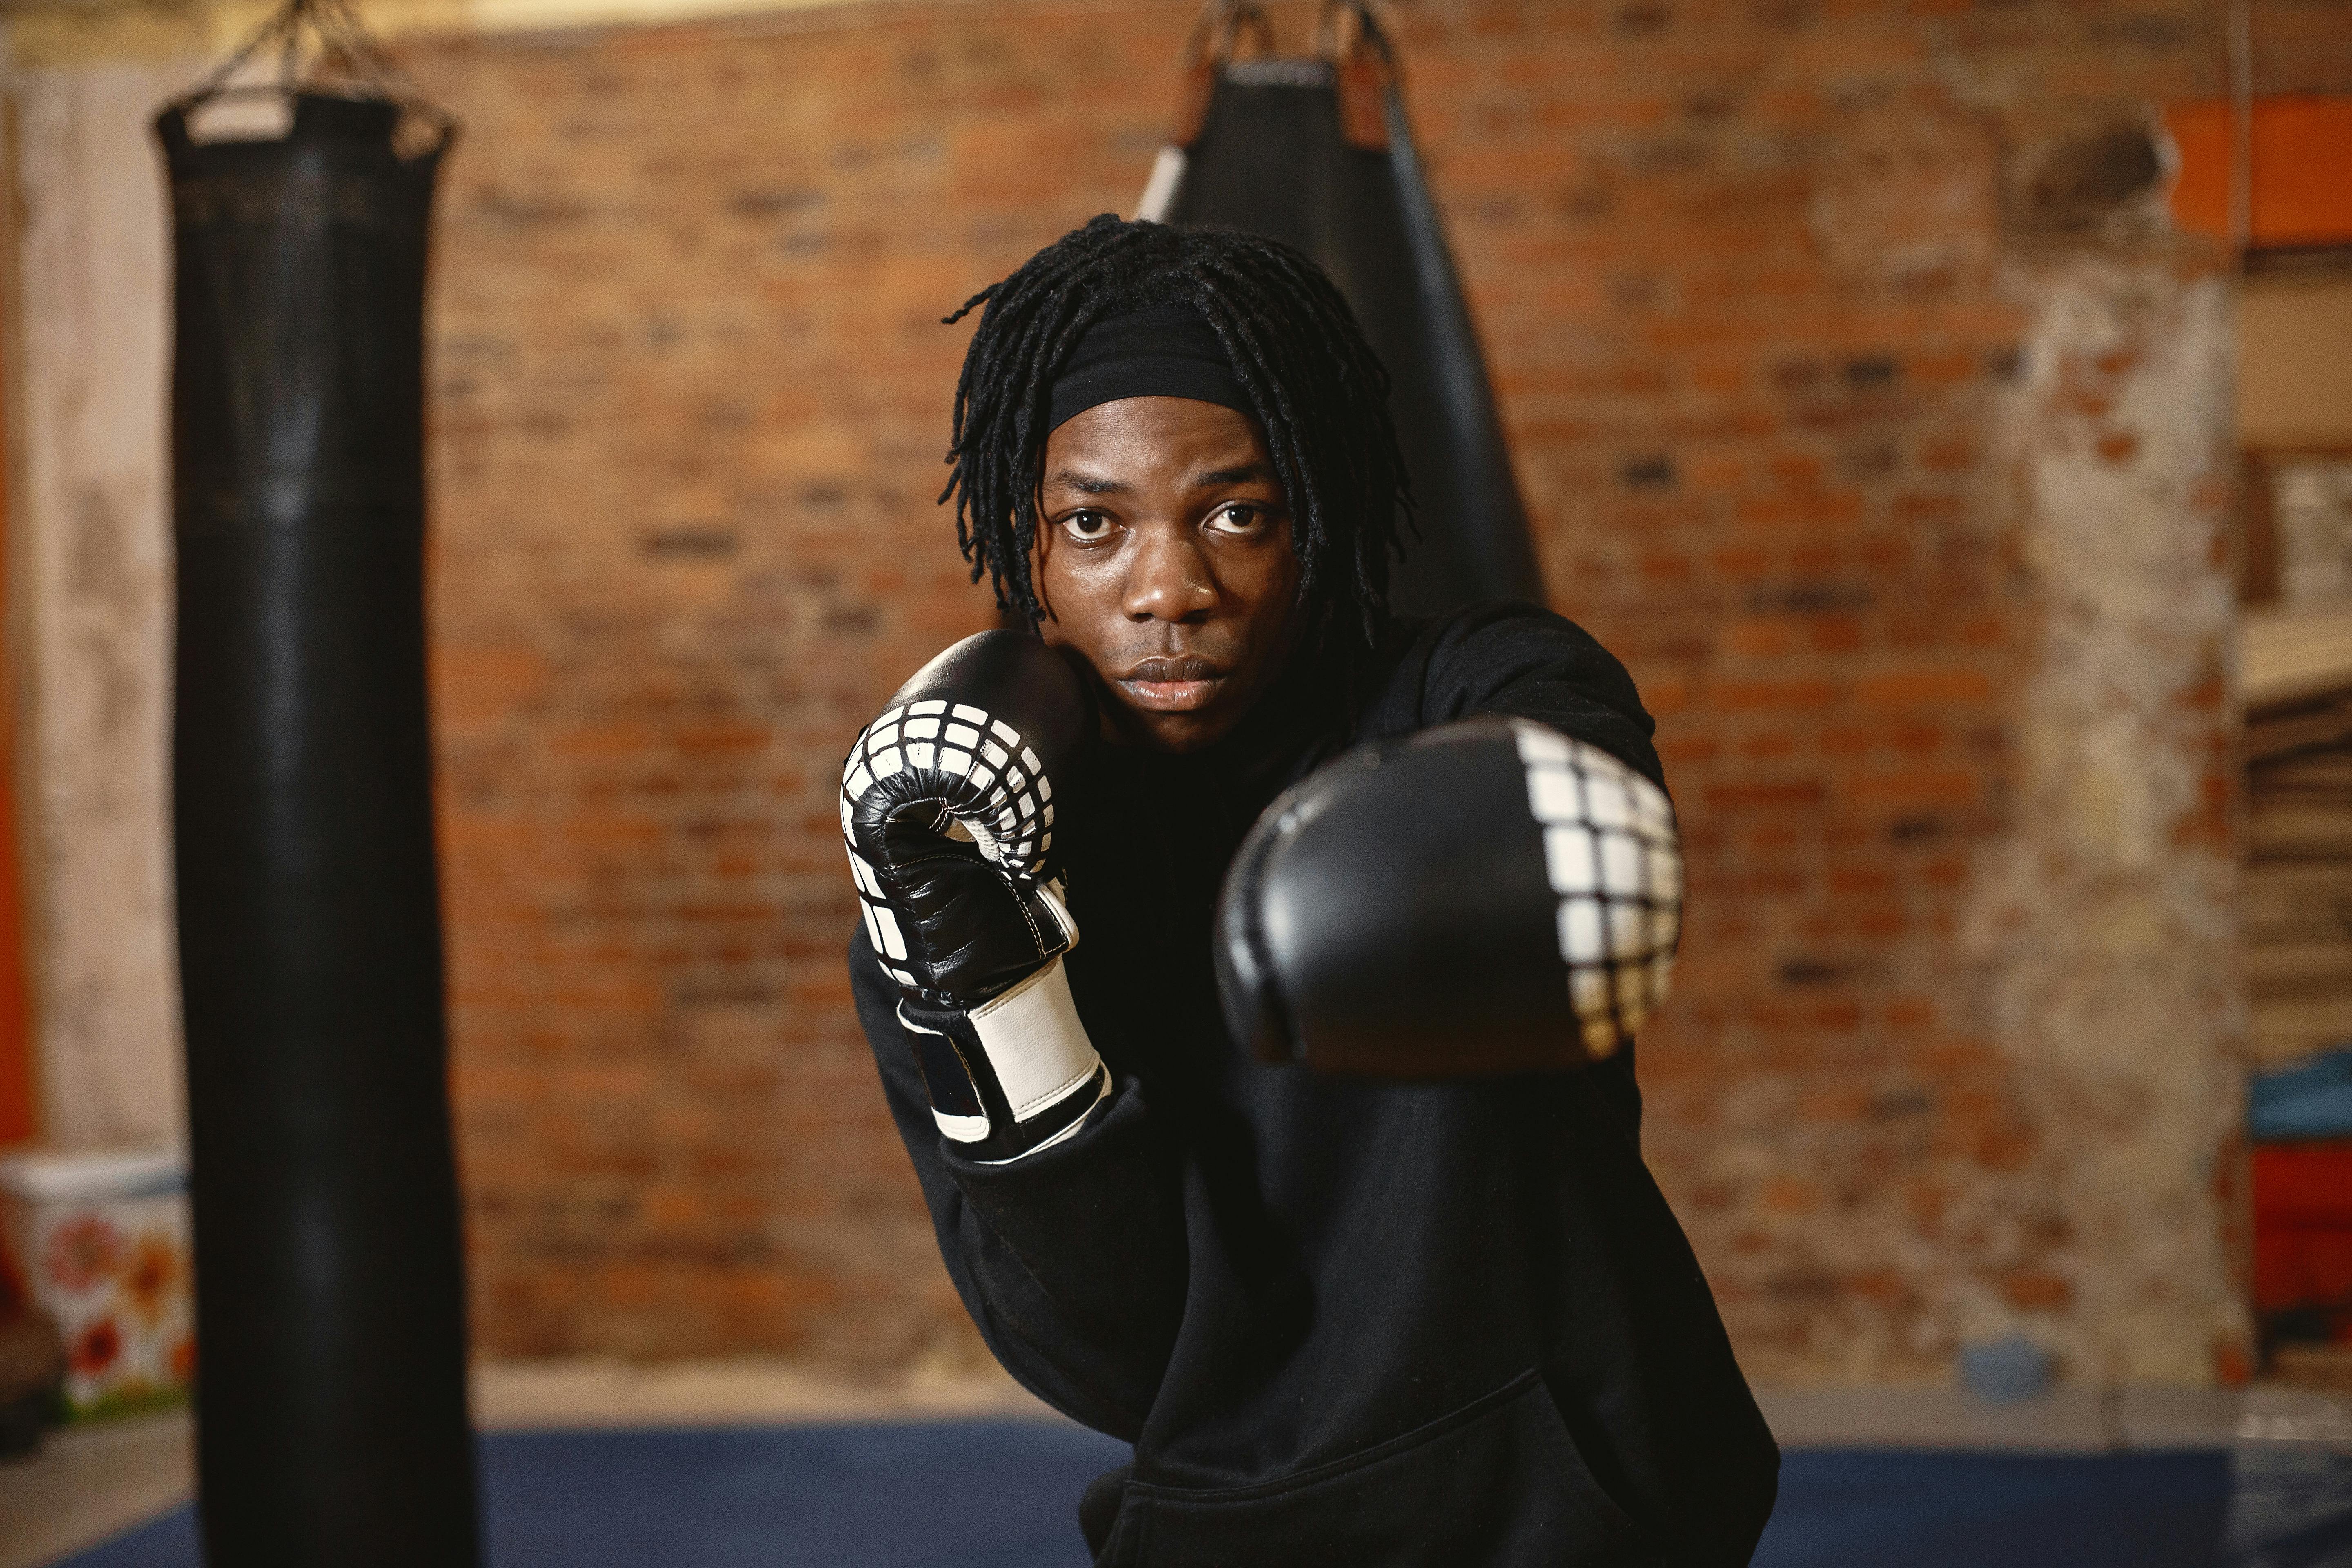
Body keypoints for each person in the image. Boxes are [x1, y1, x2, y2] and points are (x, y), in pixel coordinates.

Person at [840, 214, 1778, 1566]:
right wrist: (993, 980)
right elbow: (1105, 1359)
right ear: (1027, 548)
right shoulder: (956, 857)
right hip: (1237, 1529)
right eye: (1094, 524)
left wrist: (1380, 890)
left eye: (1237, 513)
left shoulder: (1483, 689)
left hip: (1568, 1507)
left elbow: (1590, 812)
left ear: (1317, 511)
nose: (1171, 588)